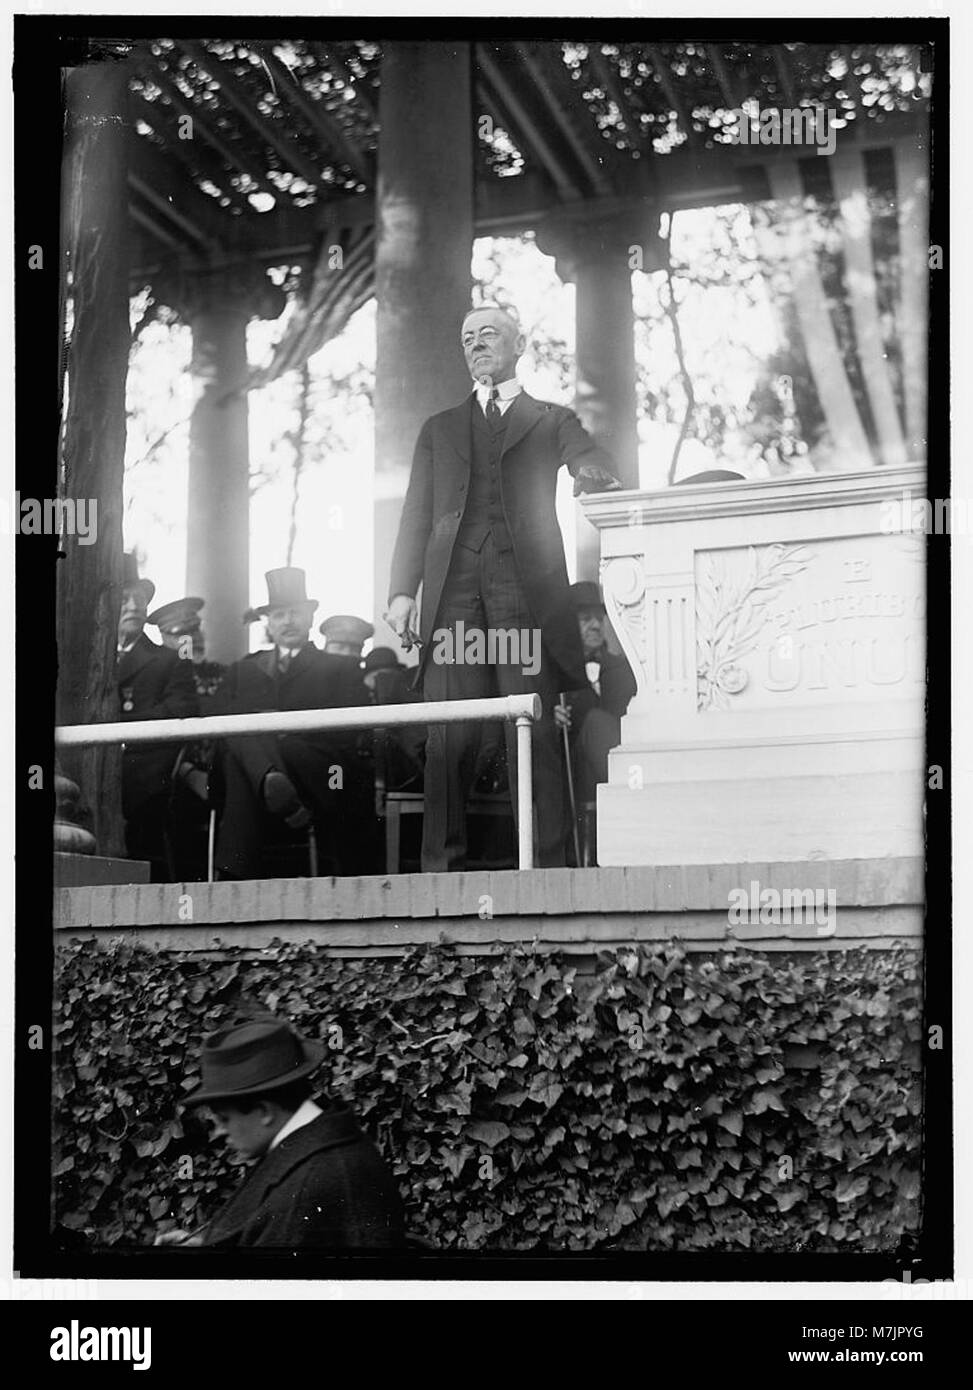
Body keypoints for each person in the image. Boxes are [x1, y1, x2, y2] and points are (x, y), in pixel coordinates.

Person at [385, 304, 620, 871]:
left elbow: (592, 461)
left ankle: (545, 870)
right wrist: (401, 591)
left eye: (488, 333)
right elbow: (416, 513)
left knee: (531, 729)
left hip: (522, 600)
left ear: (519, 345)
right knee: (450, 734)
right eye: (467, 337)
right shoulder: (438, 429)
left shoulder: (550, 418)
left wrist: (591, 476)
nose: (476, 344)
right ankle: (442, 872)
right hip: (454, 603)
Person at [155, 1015, 405, 1250]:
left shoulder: (313, 1182)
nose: (219, 1131)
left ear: (264, 1111)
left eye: (224, 1118)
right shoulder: (315, 1147)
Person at [210, 568, 369, 878]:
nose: (287, 621)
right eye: (279, 614)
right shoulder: (244, 670)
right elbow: (217, 717)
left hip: (318, 771)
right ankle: (275, 787)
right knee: (236, 748)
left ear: (310, 619)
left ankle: (233, 879)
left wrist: (277, 735)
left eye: (295, 613)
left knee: (240, 760)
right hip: (268, 778)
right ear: (268, 623)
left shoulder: (339, 668)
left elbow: (351, 730)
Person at [116, 554, 198, 877]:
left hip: (145, 760)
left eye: (139, 598)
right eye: (124, 599)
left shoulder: (169, 659)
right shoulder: (86, 661)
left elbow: (183, 707)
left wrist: (124, 727)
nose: (135, 606)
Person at [554, 582, 637, 858]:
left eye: (599, 618)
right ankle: (634, 803)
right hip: (572, 768)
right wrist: (553, 717)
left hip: (614, 763)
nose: (595, 625)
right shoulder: (558, 674)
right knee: (594, 723)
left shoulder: (624, 669)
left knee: (600, 723)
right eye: (585, 618)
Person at [146, 596, 226, 878]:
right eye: (182, 634)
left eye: (196, 630)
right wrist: (187, 770)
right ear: (164, 640)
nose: (194, 639)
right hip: (172, 772)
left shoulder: (223, 674)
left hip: (219, 767)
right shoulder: (156, 677)